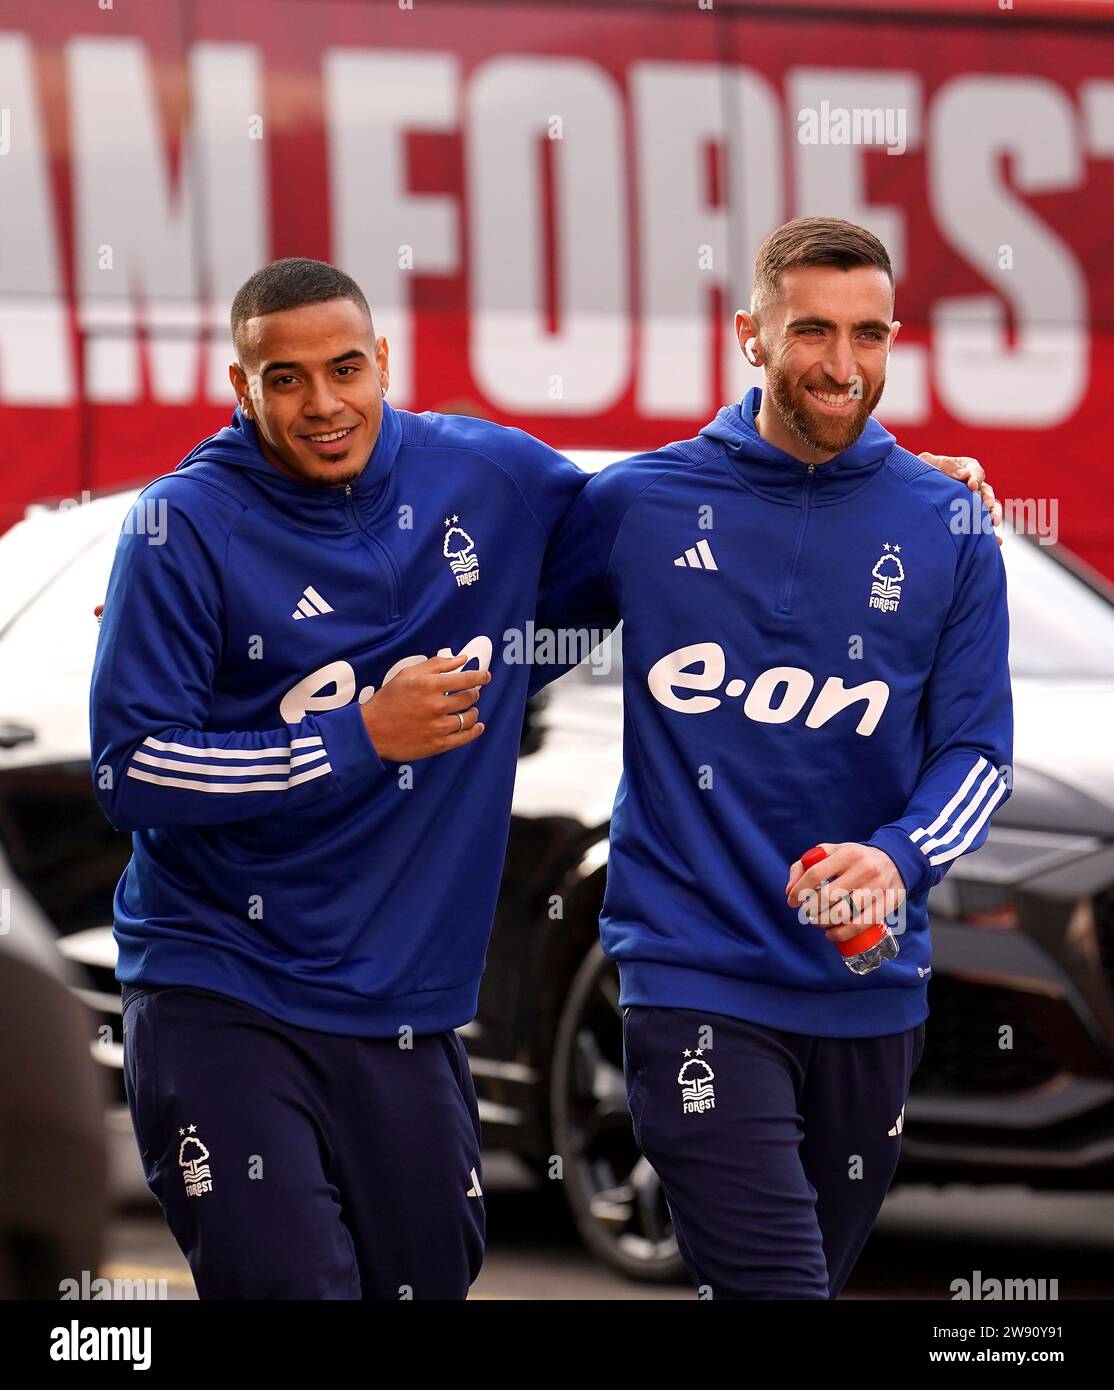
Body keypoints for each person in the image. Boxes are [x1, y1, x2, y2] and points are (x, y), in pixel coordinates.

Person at [90, 252, 997, 1302]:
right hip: (221, 984)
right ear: (241, 390)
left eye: (344, 368)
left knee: (428, 1277)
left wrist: (887, 489)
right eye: (282, 380)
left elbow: (684, 512)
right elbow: (132, 771)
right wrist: (356, 738)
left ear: (383, 360)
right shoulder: (182, 529)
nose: (322, 403)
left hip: (406, 1009)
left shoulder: (491, 476)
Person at [530, 216, 1013, 1299]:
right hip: (689, 970)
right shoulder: (640, 504)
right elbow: (481, 638)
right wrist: (235, 647)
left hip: (866, 987)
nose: (843, 367)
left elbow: (977, 754)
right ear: (749, 334)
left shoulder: (950, 523)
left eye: (869, 335)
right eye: (811, 333)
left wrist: (893, 861)